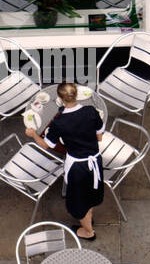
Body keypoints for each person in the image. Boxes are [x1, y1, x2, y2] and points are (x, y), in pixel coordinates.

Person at [25, 81, 103, 240]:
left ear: (60, 99)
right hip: (95, 161)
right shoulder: (91, 111)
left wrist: (32, 134)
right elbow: (99, 136)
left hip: (77, 168)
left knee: (79, 203)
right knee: (90, 194)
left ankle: (88, 232)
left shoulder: (59, 122)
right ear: (76, 94)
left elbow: (46, 145)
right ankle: (88, 217)